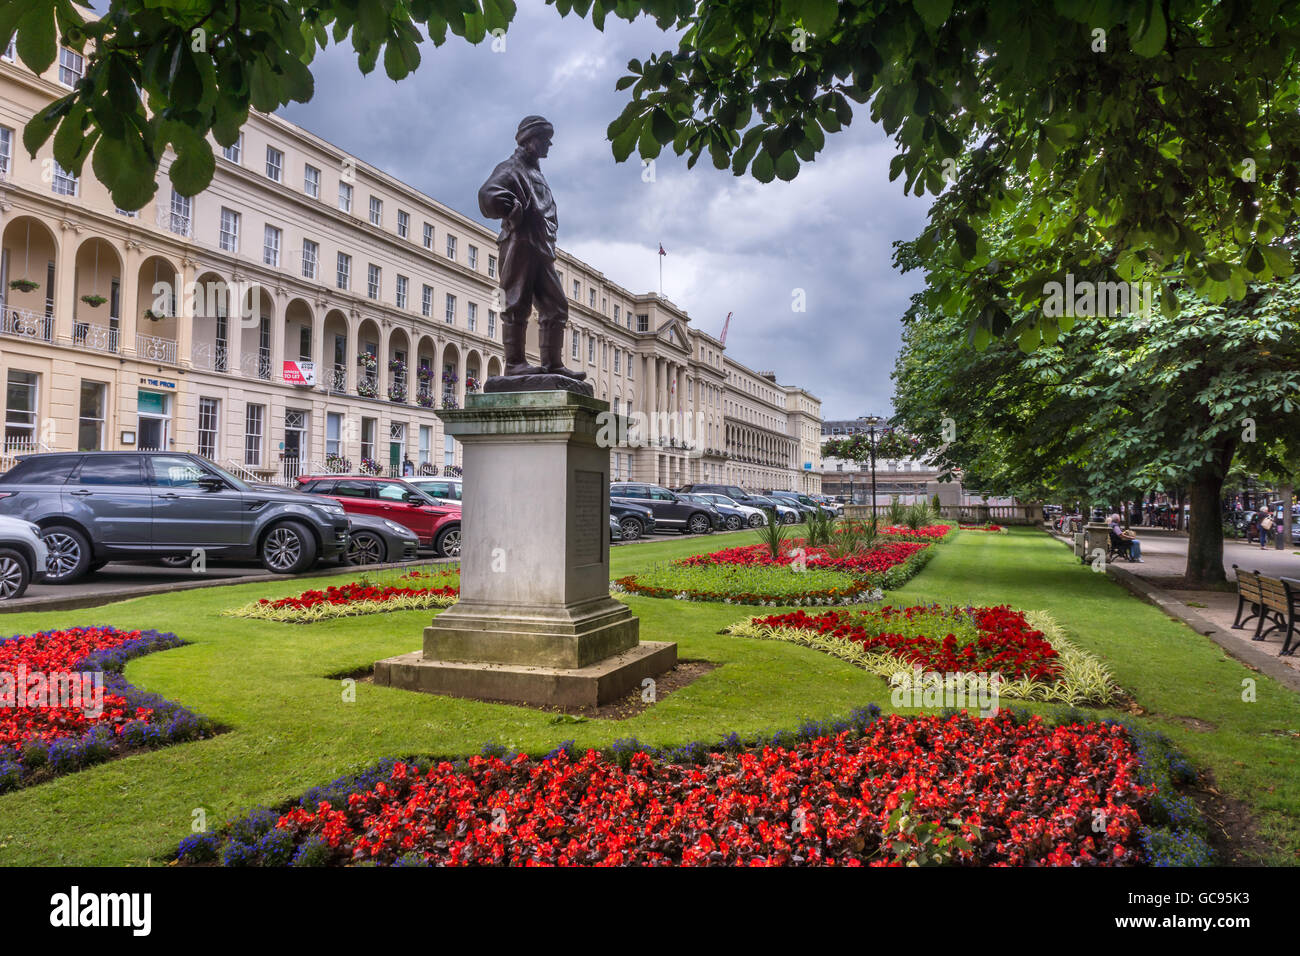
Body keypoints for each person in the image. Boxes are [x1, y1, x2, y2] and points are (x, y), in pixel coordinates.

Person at [478, 115, 585, 380]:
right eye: (545, 140)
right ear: (529, 141)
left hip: (541, 246)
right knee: (516, 302)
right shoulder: (511, 167)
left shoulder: (535, 172)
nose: (549, 145)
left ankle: (552, 364)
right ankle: (514, 364)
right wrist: (511, 208)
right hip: (519, 243)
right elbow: (486, 194)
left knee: (556, 305)